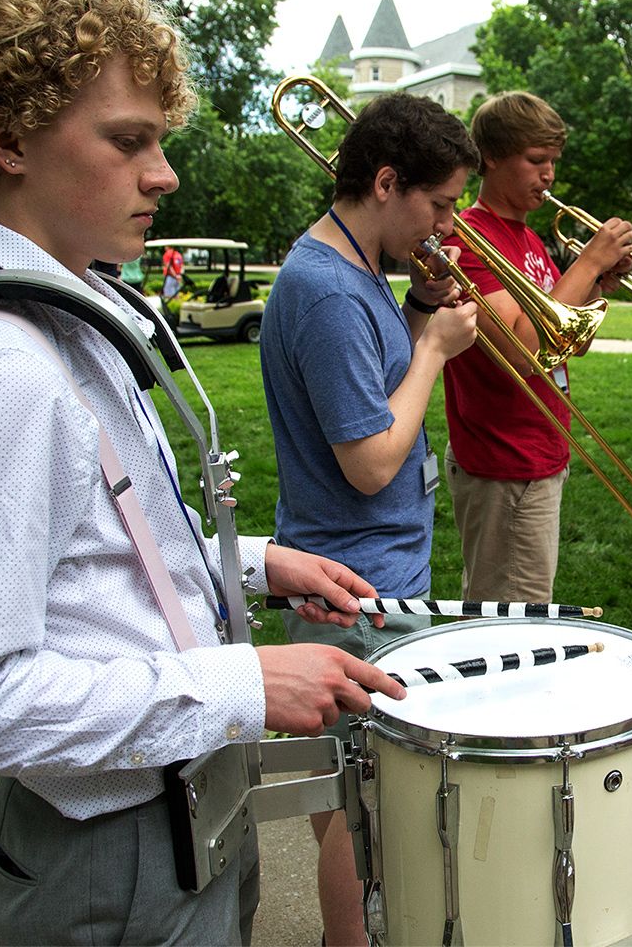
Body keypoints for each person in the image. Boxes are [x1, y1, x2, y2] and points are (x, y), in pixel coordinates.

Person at [0, 0, 405, 943]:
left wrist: (251, 563)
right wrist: (244, 680)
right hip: (111, 848)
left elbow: (100, 552)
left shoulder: (79, 307)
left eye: (158, 141)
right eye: (129, 142)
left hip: (182, 804)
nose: (163, 173)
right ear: (8, 141)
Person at [259, 90, 479, 945]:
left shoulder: (357, 272)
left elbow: (374, 401)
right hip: (355, 584)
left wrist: (419, 306)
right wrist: (432, 350)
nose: (448, 223)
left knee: (347, 794)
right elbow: (371, 460)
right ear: (388, 182)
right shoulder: (326, 290)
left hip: (369, 572)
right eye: (440, 203)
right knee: (369, 809)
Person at [440, 92, 632, 601]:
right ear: (491, 158)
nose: (549, 174)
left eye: (553, 161)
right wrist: (588, 263)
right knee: (509, 626)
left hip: (538, 452)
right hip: (504, 460)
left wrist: (596, 286)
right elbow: (521, 349)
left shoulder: (528, 240)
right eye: (535, 160)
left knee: (518, 613)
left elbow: (567, 342)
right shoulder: (470, 237)